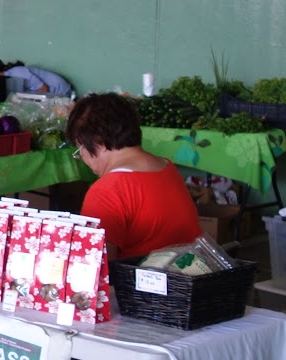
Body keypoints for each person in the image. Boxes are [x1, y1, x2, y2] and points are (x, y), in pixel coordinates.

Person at [65, 92, 201, 260]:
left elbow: (96, 267)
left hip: (144, 284)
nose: (83, 158)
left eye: (80, 150)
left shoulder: (107, 191)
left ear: (99, 143)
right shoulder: (166, 166)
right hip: (188, 277)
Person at [0, 57, 75, 98]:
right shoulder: (9, 77)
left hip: (62, 92)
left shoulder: (16, 73)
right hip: (54, 94)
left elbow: (44, 89)